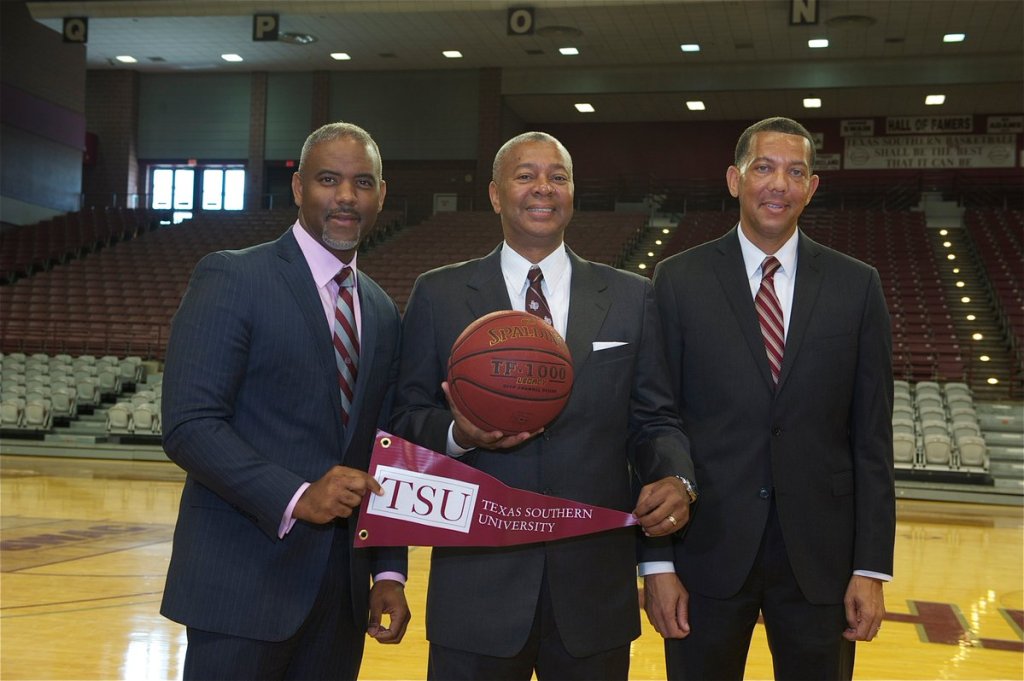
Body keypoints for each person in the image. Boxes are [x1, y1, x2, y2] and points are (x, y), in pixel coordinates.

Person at [390, 131, 696, 680]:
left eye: (558, 176)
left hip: (593, 593)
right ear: (494, 194)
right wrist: (461, 434)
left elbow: (655, 422)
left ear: (573, 193)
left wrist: (677, 479)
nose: (543, 189)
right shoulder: (438, 294)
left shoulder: (630, 296)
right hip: (476, 590)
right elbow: (404, 422)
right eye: (525, 175)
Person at [646, 116, 895, 680]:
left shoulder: (857, 287)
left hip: (823, 562)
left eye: (795, 171)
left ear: (812, 187)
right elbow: (657, 420)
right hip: (704, 551)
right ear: (734, 179)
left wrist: (871, 568)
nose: (778, 183)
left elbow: (872, 441)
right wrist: (657, 562)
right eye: (764, 167)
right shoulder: (677, 281)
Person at [160, 121, 410, 681]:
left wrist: (389, 574)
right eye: (329, 180)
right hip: (241, 583)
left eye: (362, 183)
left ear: (381, 195)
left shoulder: (383, 310)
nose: (346, 197)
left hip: (340, 597)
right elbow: (189, 424)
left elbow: (384, 452)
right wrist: (297, 496)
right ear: (298, 188)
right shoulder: (232, 276)